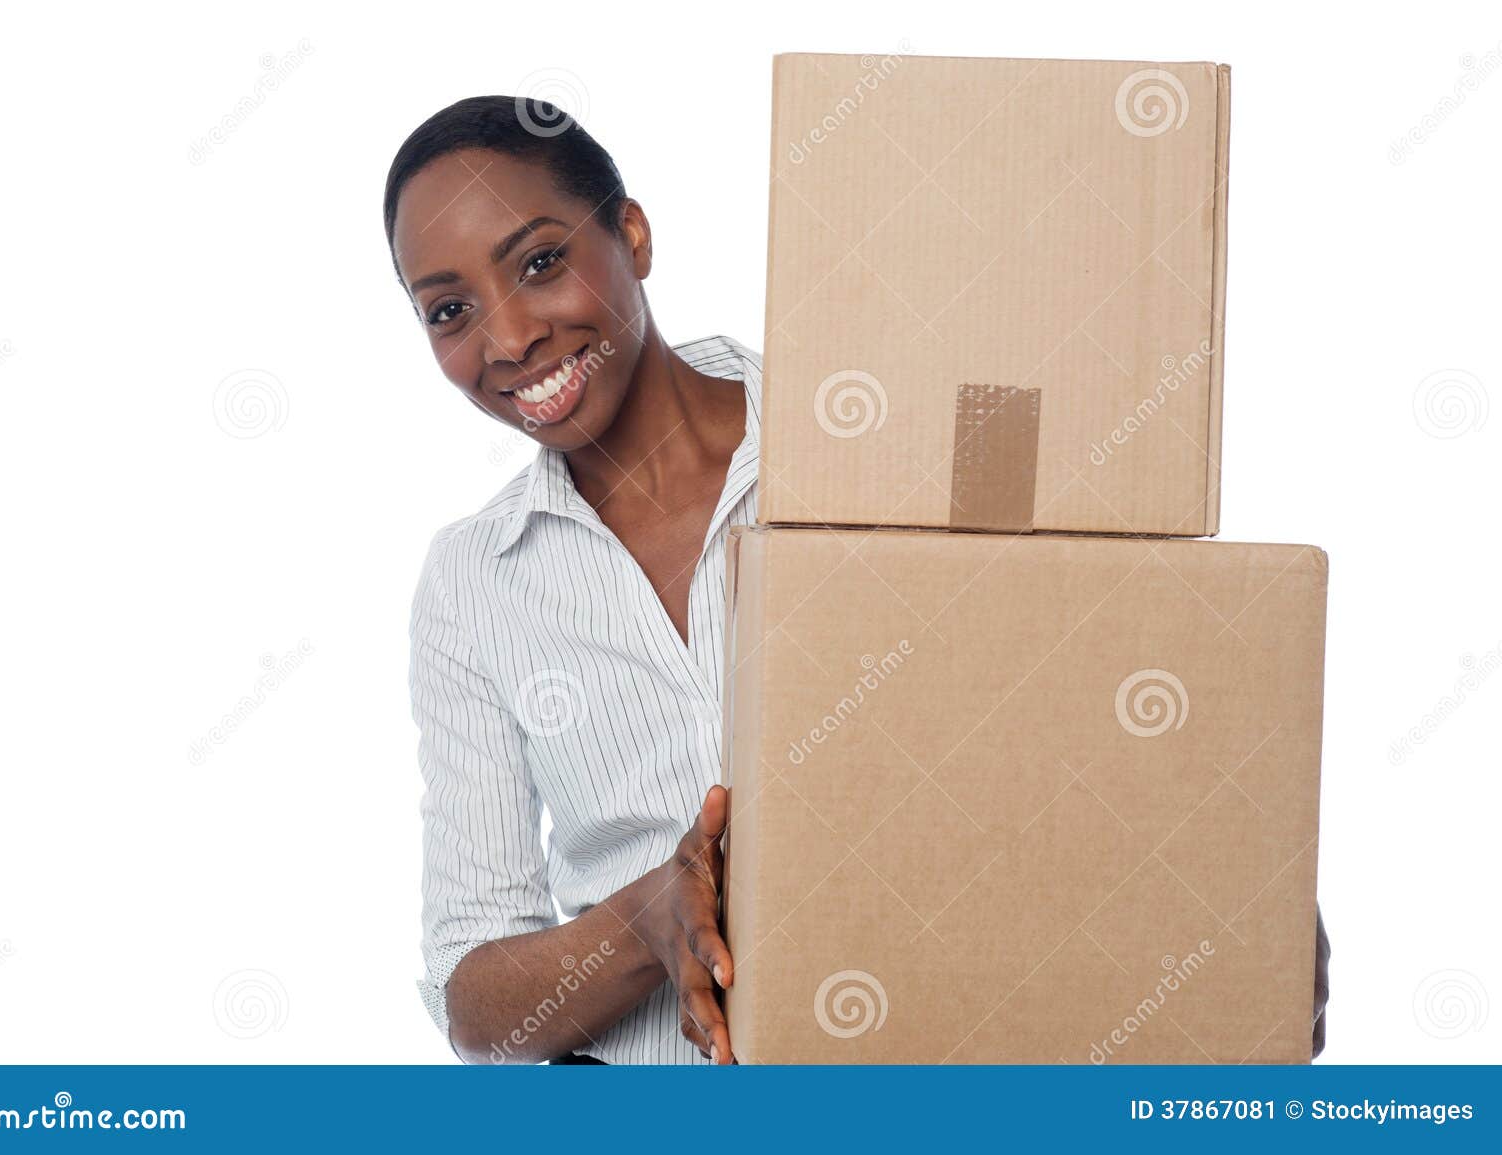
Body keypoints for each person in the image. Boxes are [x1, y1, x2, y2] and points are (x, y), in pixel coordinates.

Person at [385, 95, 1331, 1065]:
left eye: (540, 262)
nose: (507, 339)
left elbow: (1091, 726)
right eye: (449, 310)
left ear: (631, 234)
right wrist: (646, 923)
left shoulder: (887, 439)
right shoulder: (473, 583)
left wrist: (1228, 911)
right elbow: (475, 1005)